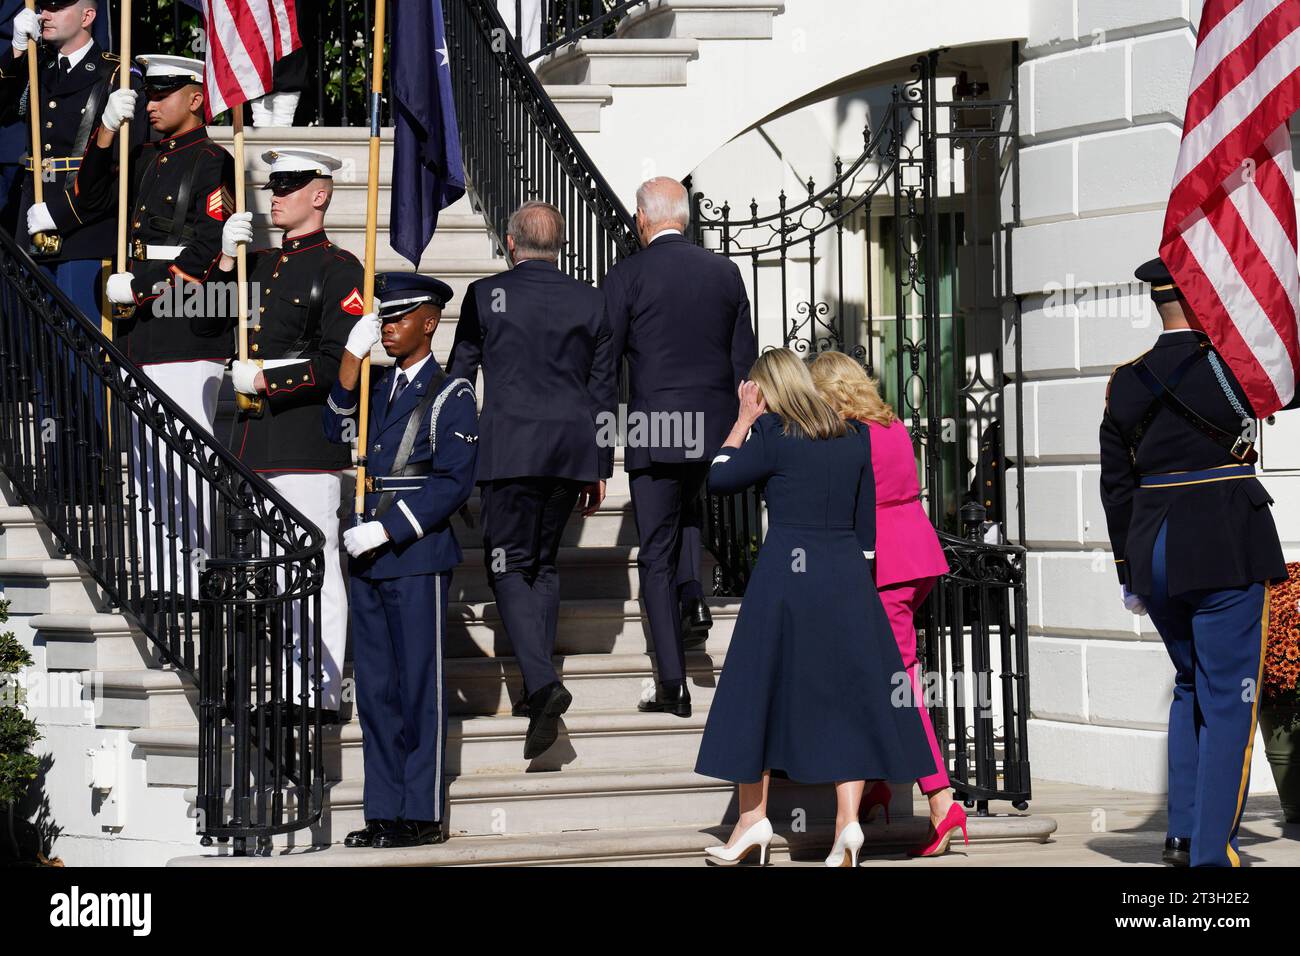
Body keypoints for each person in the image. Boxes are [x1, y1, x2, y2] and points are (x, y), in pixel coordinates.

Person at [695, 348, 936, 867]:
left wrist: (741, 422)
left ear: (766, 391)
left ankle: (751, 820)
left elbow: (718, 478)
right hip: (847, 573)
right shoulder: (853, 437)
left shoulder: (774, 434)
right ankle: (847, 827)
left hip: (786, 575)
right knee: (846, 697)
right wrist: (858, 575)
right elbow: (866, 525)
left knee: (755, 690)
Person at [1099, 257, 1287, 868]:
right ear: (1205, 298)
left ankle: (1182, 834)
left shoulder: (1125, 380)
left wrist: (1130, 574)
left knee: (1191, 686)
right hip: (1222, 546)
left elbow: (1115, 485)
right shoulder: (1238, 366)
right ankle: (1211, 854)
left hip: (1154, 554)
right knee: (1230, 697)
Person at [446, 201, 615, 761]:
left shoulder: (485, 296)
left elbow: (460, 378)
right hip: (569, 451)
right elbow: (602, 390)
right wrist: (600, 464)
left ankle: (542, 685)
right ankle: (535, 689)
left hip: (510, 450)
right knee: (542, 564)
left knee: (507, 567)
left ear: (511, 243)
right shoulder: (592, 301)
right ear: (559, 245)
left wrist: (451, 447)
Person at [204, 148, 364, 720]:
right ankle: (282, 683)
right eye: (273, 185)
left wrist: (270, 377)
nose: (275, 194)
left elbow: (336, 361)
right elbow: (200, 320)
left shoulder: (339, 268)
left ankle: (318, 689)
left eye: (290, 185)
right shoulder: (261, 262)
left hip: (302, 441)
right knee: (269, 572)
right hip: (254, 442)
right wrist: (224, 262)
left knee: (313, 567)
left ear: (319, 194)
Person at [324, 272, 478, 849]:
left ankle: (422, 813)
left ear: (430, 322)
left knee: (418, 688)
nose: (387, 327)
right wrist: (348, 358)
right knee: (377, 694)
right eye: (383, 319)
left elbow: (453, 483)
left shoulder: (451, 394)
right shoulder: (373, 387)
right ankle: (384, 810)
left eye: (398, 318)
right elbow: (330, 427)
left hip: (413, 555)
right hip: (366, 555)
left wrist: (388, 529)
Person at [74, 53, 234, 604]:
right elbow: (89, 200)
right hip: (141, 329)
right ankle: (158, 578)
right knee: (146, 460)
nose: (153, 104)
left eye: (165, 93)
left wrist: (141, 290)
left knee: (183, 459)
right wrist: (104, 133)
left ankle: (190, 581)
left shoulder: (215, 160)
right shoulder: (142, 157)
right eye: (150, 94)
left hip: (187, 325)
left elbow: (209, 244)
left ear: (195, 98)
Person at [605, 176, 756, 717]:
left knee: (655, 554)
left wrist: (601, 441)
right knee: (690, 510)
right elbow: (746, 364)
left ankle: (672, 682)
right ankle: (693, 595)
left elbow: (607, 362)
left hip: (656, 426)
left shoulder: (627, 274)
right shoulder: (725, 272)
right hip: (714, 425)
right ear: (684, 219)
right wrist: (739, 429)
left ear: (643, 219)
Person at [809, 350, 966, 857]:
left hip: (885, 563)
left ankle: (941, 800)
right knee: (881, 673)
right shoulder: (892, 423)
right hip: (916, 552)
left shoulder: (850, 435)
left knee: (899, 680)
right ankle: (877, 785)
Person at [0, 0, 144, 320]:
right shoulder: (37, 67)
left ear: (87, 16)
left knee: (82, 342)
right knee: (36, 345)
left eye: (58, 7)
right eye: (43, 7)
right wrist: (17, 52)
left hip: (84, 224)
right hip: (32, 216)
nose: (44, 15)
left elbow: (122, 168)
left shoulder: (117, 74)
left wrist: (60, 214)